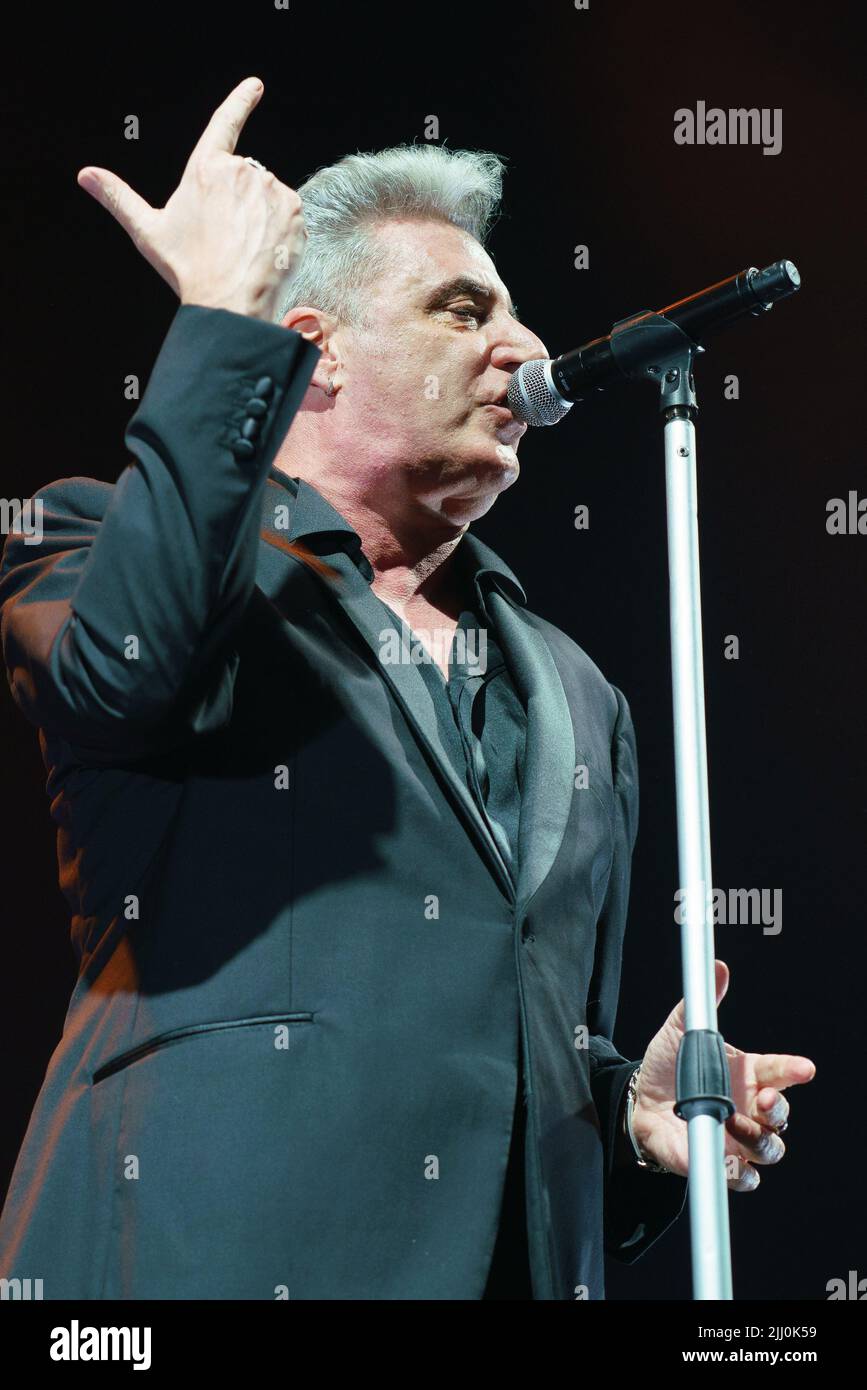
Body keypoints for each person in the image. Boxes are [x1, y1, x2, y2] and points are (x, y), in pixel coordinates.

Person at [0, 78, 815, 1300]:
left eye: (519, 314)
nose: (528, 351)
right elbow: (122, 671)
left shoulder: (577, 692)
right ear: (313, 353)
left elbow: (518, 1031)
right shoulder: (92, 538)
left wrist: (629, 1123)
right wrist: (226, 322)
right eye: (460, 308)